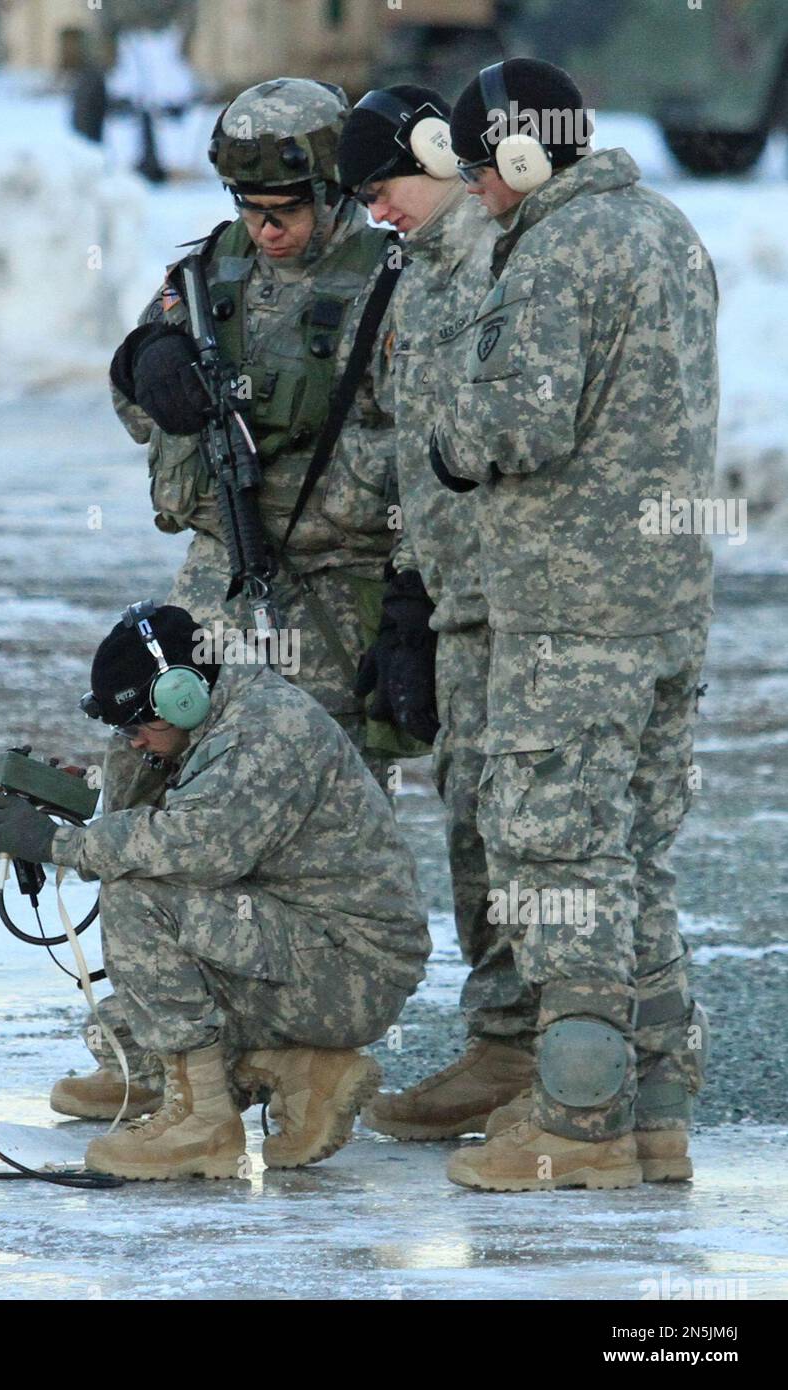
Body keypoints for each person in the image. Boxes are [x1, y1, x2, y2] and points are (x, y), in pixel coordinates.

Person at [426, 59, 717, 1190]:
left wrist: (450, 413)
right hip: (662, 607)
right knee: (634, 857)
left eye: (481, 172)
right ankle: (652, 1117)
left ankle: (579, 1121)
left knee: (558, 857)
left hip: (568, 611)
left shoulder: (556, 249)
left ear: (515, 154)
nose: (478, 197)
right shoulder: (664, 229)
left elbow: (518, 423)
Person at [0, 603, 431, 1181]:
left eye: (140, 725)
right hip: (301, 946)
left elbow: (196, 850)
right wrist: (99, 785)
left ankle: (205, 1124)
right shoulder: (203, 722)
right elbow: (148, 820)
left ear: (183, 696)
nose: (135, 738)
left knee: (137, 899)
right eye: (123, 729)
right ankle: (298, 1070)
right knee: (123, 1032)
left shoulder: (265, 732)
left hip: (351, 969)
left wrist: (62, 846)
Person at [109, 76, 425, 791]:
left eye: (284, 210)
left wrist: (413, 602)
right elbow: (131, 403)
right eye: (248, 209)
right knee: (156, 772)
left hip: (335, 586)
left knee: (318, 800)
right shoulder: (203, 275)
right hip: (217, 570)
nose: (265, 230)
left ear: (335, 190)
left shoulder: (393, 287)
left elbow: (433, 456)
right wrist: (147, 362)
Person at [336, 87, 540, 1141]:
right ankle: (503, 1042)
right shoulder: (417, 276)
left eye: (383, 186)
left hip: (528, 599)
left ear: (435, 152)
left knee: (537, 825)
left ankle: (566, 1052)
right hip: (455, 595)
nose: (376, 210)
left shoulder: (512, 259)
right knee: (470, 814)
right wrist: (409, 592)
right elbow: (415, 446)